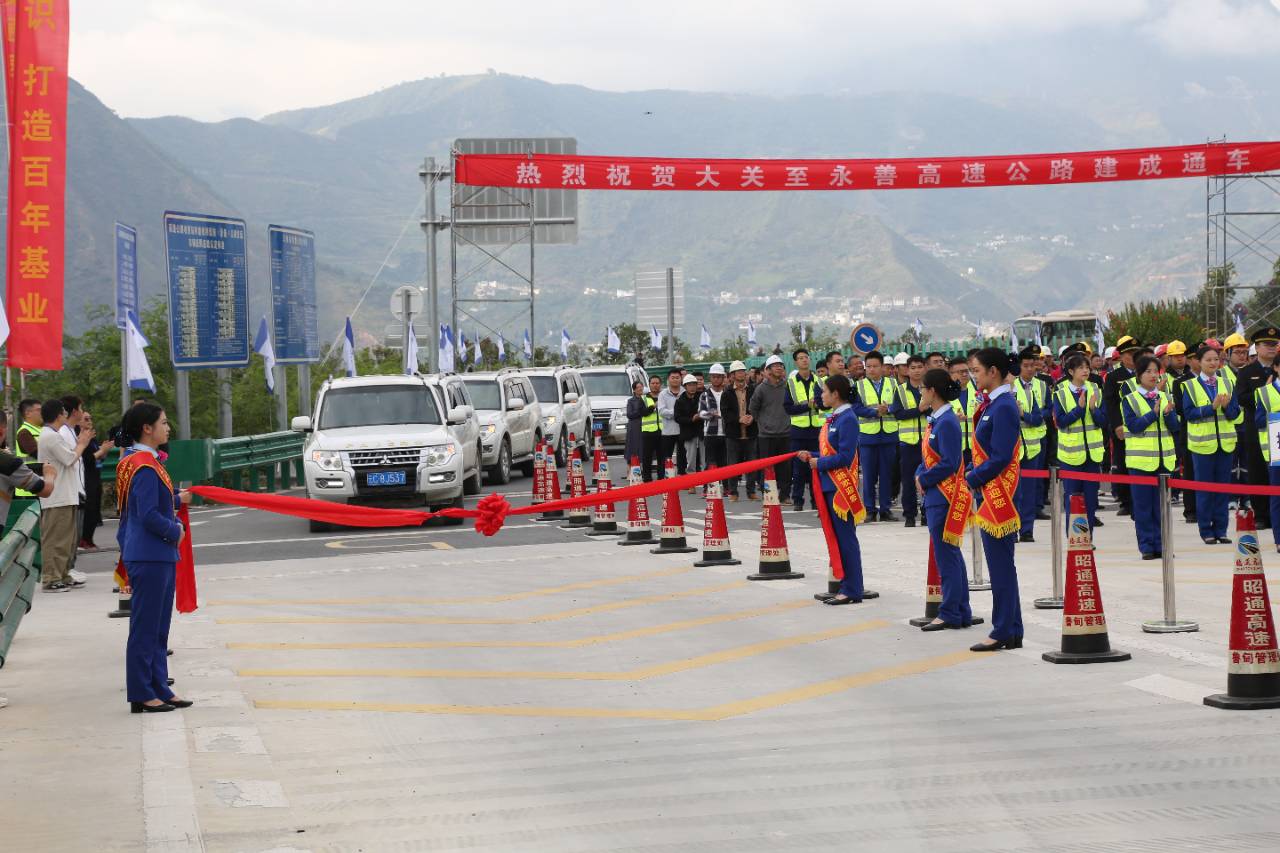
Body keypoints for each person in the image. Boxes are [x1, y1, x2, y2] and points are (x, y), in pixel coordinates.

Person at [118, 402, 193, 713]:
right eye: (162, 422)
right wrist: (175, 530)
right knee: (146, 627)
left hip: (153, 553)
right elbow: (147, 514)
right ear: (146, 429)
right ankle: (141, 691)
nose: (167, 427)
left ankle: (160, 686)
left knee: (158, 627)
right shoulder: (145, 465)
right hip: (151, 554)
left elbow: (148, 503)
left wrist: (174, 499)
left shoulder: (137, 460)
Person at [966, 348, 1024, 652]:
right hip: (990, 489)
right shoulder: (994, 403)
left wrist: (973, 477)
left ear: (993, 371)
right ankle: (1012, 628)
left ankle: (1003, 629)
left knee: (1000, 565)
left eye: (976, 370)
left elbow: (1001, 456)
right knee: (1003, 565)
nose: (973, 376)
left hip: (998, 492)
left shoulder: (1002, 406)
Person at [796, 374, 866, 605]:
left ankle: (853, 588)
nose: (822, 395)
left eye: (825, 391)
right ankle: (845, 584)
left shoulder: (847, 419)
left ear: (836, 394)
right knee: (837, 538)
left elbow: (845, 457)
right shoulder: (835, 418)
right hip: (829, 484)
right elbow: (829, 454)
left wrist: (820, 463)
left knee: (846, 539)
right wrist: (812, 456)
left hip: (840, 488)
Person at [915, 367, 973, 630]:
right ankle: (960, 609)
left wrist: (924, 479)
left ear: (933, 391)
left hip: (945, 494)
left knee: (946, 555)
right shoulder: (936, 419)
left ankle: (950, 611)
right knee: (950, 553)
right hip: (936, 493)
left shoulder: (947, 421)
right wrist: (920, 474)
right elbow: (928, 457)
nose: (920, 393)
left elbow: (950, 462)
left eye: (922, 388)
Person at [1182, 344, 1241, 544]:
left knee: (1223, 489)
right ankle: (1206, 529)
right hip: (1202, 446)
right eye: (1208, 360)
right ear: (1199, 362)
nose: (1213, 363)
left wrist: (1225, 407)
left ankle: (1222, 529)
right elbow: (1189, 414)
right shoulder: (1190, 385)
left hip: (1225, 444)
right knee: (1205, 490)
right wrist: (1211, 407)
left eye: (1216, 359)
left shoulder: (1227, 383)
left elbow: (1235, 414)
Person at [1124, 354, 1180, 558]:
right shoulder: (1130, 399)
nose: (1153, 375)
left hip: (1163, 460)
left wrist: (1168, 414)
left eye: (1156, 371)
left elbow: (1175, 427)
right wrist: (1152, 414)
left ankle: (1163, 546)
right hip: (1140, 462)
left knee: (1162, 509)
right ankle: (1147, 546)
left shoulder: (1165, 396)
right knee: (1144, 508)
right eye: (1148, 371)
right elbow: (1133, 426)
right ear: (1138, 375)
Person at [37, 399, 93, 593]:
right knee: (55, 539)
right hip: (56, 496)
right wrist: (82, 443)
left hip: (64, 494)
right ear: (59, 414)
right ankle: (51, 578)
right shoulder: (51, 436)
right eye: (63, 412)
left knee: (66, 539)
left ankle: (62, 575)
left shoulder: (53, 435)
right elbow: (69, 458)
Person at [1053, 353, 1106, 534]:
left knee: (1090, 499)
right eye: (1081, 368)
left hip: (1092, 454)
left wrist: (1093, 409)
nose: (1085, 371)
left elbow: (1103, 420)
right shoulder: (1060, 393)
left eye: (1087, 367)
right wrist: (1079, 409)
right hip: (1071, 456)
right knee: (1073, 499)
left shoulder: (1096, 389)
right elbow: (1060, 422)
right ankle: (1075, 538)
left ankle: (1087, 537)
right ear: (1070, 371)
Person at [1236, 327, 1280, 530]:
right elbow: (1241, 398)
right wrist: (1263, 392)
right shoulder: (1247, 372)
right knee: (1258, 473)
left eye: (1275, 344)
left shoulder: (1277, 368)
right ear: (1257, 347)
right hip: (1257, 431)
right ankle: (1261, 515)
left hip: (1277, 433)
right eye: (1267, 345)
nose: (1272, 348)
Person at [852, 351, 898, 522]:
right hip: (867, 436)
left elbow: (899, 405)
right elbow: (855, 408)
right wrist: (873, 412)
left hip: (888, 435)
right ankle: (870, 509)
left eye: (875, 366)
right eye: (868, 367)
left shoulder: (893, 384)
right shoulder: (858, 386)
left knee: (886, 475)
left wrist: (889, 409)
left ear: (882, 367)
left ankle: (886, 509)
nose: (871, 370)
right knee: (869, 476)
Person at [1012, 346, 1050, 542]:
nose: (1029, 369)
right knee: (1014, 491)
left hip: (1034, 445)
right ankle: (1013, 527)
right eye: (1025, 365)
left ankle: (1027, 530)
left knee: (1029, 490)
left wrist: (1027, 416)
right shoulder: (1011, 386)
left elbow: (1046, 412)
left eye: (1032, 365)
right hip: (1015, 446)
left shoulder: (1042, 385)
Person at [1104, 336, 1141, 517]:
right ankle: (1126, 501)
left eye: (1136, 353)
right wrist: (1117, 425)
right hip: (1123, 428)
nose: (1133, 357)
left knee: (1140, 464)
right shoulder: (1114, 377)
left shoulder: (1145, 374)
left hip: (1143, 427)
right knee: (1123, 463)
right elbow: (1110, 403)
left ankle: (1138, 499)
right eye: (1129, 354)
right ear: (1122, 356)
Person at [784, 348, 823, 511]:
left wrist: (817, 403)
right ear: (796, 362)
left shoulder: (819, 381)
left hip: (817, 430)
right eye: (800, 358)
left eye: (806, 357)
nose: (804, 360)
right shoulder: (791, 383)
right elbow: (788, 408)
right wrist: (806, 405)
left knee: (816, 466)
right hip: (799, 431)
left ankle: (816, 500)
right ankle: (798, 500)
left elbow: (826, 404)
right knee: (799, 469)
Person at [891, 354, 927, 527]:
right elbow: (898, 414)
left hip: (927, 442)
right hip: (907, 443)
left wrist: (921, 410)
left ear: (925, 368)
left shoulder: (929, 388)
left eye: (920, 367)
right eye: (913, 368)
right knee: (908, 481)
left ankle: (927, 513)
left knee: (928, 479)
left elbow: (933, 410)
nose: (916, 371)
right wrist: (919, 410)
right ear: (907, 370)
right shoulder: (900, 390)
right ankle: (910, 515)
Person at [748, 354, 792, 485]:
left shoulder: (788, 386)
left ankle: (785, 495)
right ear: (768, 370)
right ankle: (768, 495)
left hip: (785, 433)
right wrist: (763, 422)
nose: (779, 368)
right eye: (775, 366)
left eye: (781, 365)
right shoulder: (761, 388)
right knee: (767, 467)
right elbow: (753, 408)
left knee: (785, 468)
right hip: (766, 435)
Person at [1253, 357, 1280, 552]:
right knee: (1277, 497)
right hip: (1276, 452)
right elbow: (1259, 420)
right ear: (1276, 367)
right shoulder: (1264, 392)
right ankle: (1279, 538)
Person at [721, 360, 758, 501]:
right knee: (733, 465)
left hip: (751, 432)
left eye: (743, 371)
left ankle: (751, 491)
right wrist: (738, 419)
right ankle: (733, 492)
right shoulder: (727, 392)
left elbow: (757, 407)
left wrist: (752, 417)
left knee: (752, 463)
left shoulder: (753, 389)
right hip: (733, 434)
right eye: (738, 371)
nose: (742, 373)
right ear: (732, 375)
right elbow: (725, 412)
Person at [78, 411, 114, 550]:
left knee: (95, 509)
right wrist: (101, 451)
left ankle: (89, 539)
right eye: (86, 419)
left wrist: (104, 451)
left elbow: (97, 456)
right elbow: (86, 459)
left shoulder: (91, 437)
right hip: (86, 477)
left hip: (95, 474)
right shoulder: (79, 438)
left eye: (90, 418)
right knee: (89, 507)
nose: (89, 421)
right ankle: (84, 539)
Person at [674, 373, 703, 489]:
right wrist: (691, 419)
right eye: (689, 385)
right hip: (688, 433)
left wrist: (702, 415)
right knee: (690, 459)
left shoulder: (702, 396)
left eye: (694, 384)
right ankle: (691, 483)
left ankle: (707, 483)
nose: (692, 387)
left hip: (701, 432)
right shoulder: (680, 400)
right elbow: (677, 417)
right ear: (685, 386)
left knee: (705, 458)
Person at [700, 363, 728, 478]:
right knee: (710, 462)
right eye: (714, 376)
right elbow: (701, 413)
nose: (716, 379)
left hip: (726, 433)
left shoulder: (728, 393)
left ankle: (727, 487)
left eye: (718, 376)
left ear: (723, 378)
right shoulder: (704, 395)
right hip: (710, 433)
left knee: (724, 462)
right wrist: (711, 414)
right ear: (710, 378)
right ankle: (709, 487)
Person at [948, 357, 976, 467]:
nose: (964, 374)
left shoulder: (979, 392)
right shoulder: (943, 394)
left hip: (974, 447)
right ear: (950, 374)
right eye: (960, 372)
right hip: (953, 447)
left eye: (966, 371)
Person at [12, 398, 42, 500]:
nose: (42, 413)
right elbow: (37, 454)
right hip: (29, 491)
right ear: (28, 413)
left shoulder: (43, 430)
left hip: (42, 486)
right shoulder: (24, 432)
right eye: (39, 410)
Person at [656, 370, 683, 473]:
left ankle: (683, 477)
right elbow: (662, 411)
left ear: (681, 379)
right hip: (668, 431)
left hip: (683, 430)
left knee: (683, 457)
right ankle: (667, 478)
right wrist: (677, 412)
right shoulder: (663, 394)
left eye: (677, 377)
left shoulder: (685, 392)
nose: (675, 379)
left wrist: (672, 413)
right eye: (673, 377)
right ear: (668, 379)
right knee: (667, 457)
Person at [624, 380, 649, 477]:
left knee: (643, 447)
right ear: (634, 390)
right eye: (638, 387)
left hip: (645, 425)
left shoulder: (646, 399)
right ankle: (630, 470)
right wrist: (640, 411)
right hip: (634, 426)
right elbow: (630, 414)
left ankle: (641, 469)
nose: (640, 389)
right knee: (632, 446)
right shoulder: (631, 401)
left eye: (641, 387)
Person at [640, 376, 664, 480]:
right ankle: (647, 478)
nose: (655, 385)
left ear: (660, 384)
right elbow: (643, 413)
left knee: (662, 456)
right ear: (649, 385)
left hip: (663, 431)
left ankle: (661, 477)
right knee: (647, 457)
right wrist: (654, 406)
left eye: (657, 383)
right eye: (653, 383)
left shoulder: (664, 396)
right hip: (648, 431)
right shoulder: (643, 398)